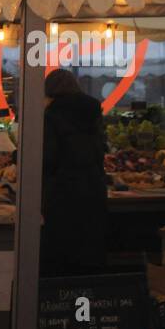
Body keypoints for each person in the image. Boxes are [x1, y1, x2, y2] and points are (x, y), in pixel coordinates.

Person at [41, 68, 108, 276]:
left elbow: (48, 157)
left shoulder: (51, 116)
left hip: (63, 193)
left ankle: (63, 301)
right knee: (89, 252)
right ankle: (90, 298)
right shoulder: (93, 112)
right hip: (94, 189)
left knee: (63, 256)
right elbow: (100, 151)